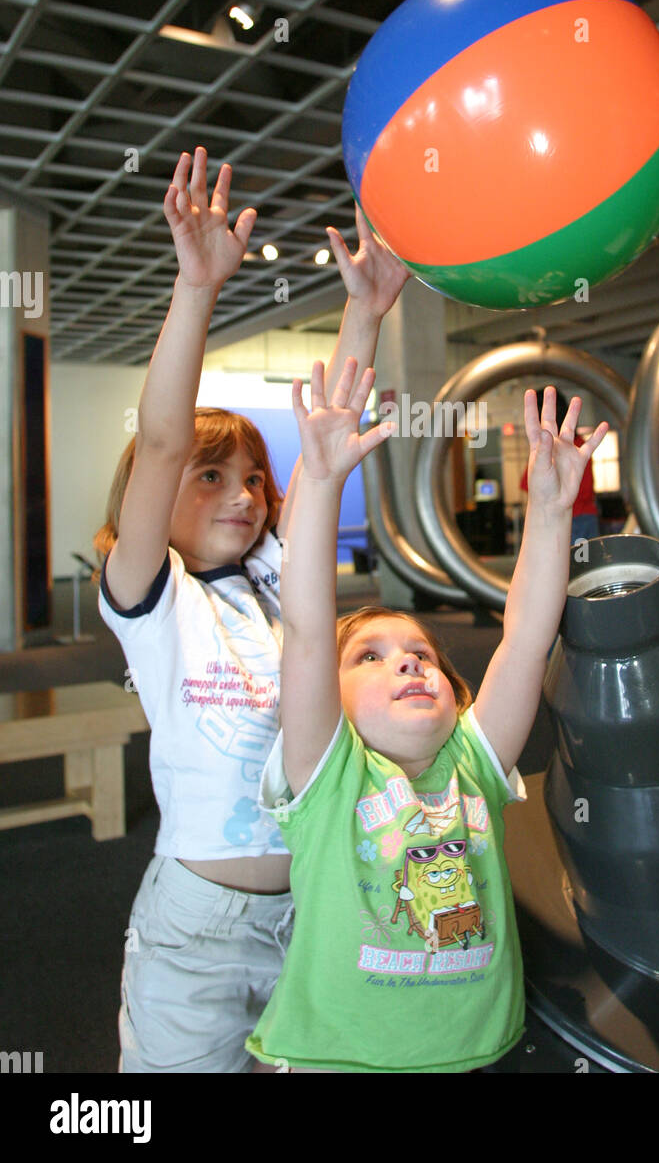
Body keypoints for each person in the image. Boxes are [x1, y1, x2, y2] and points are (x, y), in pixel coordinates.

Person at [94, 147, 408, 1073]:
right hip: (197, 934)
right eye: (213, 478)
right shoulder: (153, 601)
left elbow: (325, 453)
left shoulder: (275, 578)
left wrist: (367, 308)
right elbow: (158, 444)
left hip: (315, 910)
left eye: (253, 481)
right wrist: (197, 287)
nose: (244, 495)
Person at [245, 361, 607, 1072]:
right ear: (331, 699)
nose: (408, 662)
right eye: (371, 658)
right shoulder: (329, 775)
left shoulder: (472, 760)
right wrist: (319, 482)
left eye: (421, 654)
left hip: (473, 1054)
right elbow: (311, 633)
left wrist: (551, 508)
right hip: (334, 1062)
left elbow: (527, 639)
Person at [520, 388, 599, 546]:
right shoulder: (580, 446)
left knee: (569, 570)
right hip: (586, 519)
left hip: (566, 521)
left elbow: (525, 484)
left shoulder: (548, 451)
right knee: (585, 568)